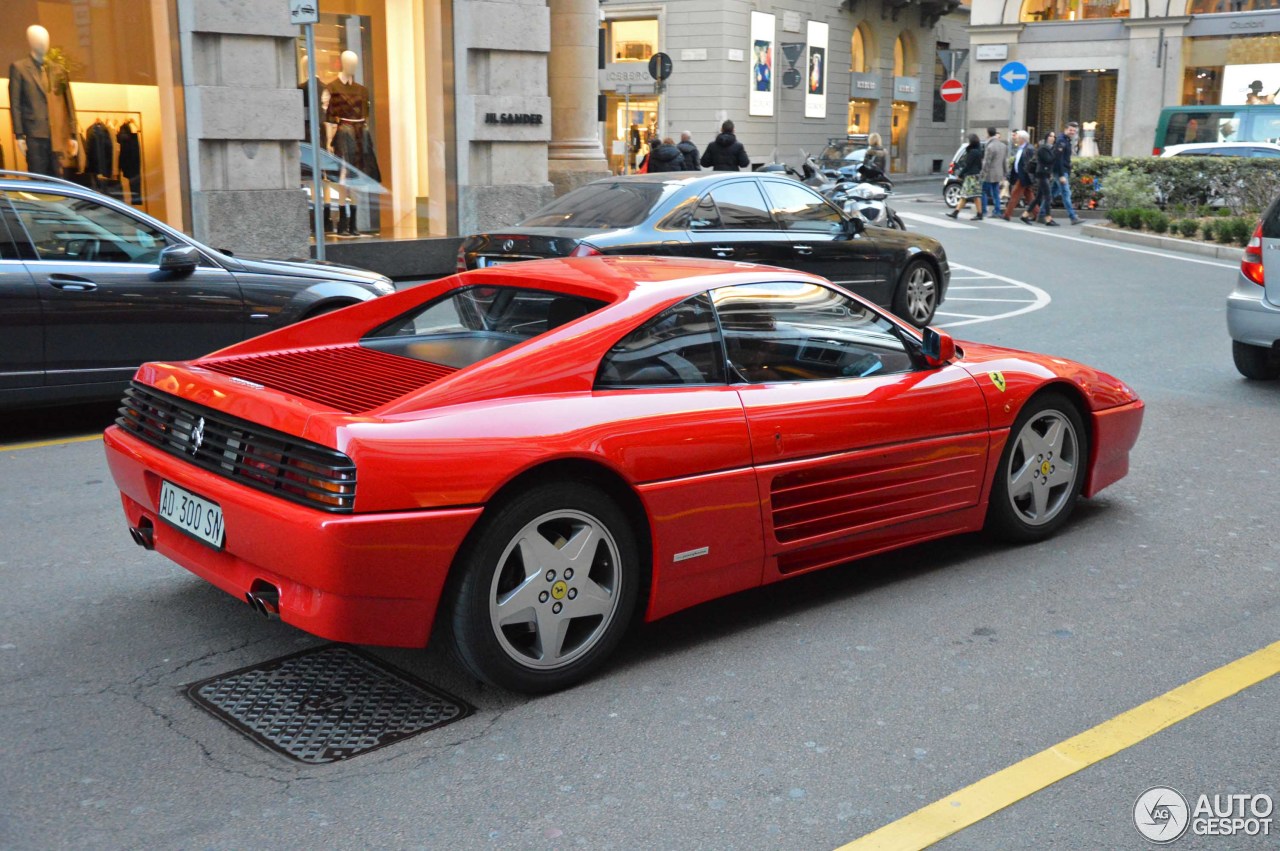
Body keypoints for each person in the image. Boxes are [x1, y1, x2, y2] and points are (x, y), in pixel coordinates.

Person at [945, 134, 985, 221]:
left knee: (967, 195)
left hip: (971, 177)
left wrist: (960, 175)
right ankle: (978, 214)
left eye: (969, 141)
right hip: (976, 175)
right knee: (973, 196)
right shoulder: (978, 152)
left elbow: (967, 166)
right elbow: (980, 165)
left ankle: (957, 213)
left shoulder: (972, 152)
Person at [1025, 130, 1060, 226]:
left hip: (1045, 174)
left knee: (1038, 197)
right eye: (1051, 136)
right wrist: (1056, 153)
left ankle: (1025, 215)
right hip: (1042, 174)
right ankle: (1048, 219)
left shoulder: (1050, 148)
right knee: (1048, 197)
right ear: (1047, 137)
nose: (1053, 138)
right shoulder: (1043, 148)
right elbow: (1049, 160)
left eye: (1054, 136)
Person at [1051, 121, 1081, 225]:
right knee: (1066, 193)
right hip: (1061, 172)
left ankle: (1040, 213)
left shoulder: (1067, 140)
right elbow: (1058, 159)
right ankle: (1073, 217)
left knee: (1051, 194)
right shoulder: (1061, 141)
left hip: (1063, 171)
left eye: (1074, 130)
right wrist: (1061, 175)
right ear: (1065, 130)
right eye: (1070, 130)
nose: (1072, 132)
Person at [1002, 130, 1035, 222]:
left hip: (1024, 175)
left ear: (1022, 139)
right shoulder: (1020, 148)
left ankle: (1007, 215)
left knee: (1015, 194)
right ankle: (1038, 213)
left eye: (1018, 137)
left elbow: (1030, 163)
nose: (1016, 139)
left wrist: (1027, 174)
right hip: (1019, 175)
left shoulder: (1029, 149)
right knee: (1029, 195)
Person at [980, 126, 1007, 219]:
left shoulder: (990, 146)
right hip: (999, 173)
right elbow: (1004, 161)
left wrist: (983, 173)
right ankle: (997, 210)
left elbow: (986, 162)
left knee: (983, 191)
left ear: (988, 133)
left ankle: (983, 210)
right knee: (996, 192)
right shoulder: (1003, 146)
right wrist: (1005, 173)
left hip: (989, 173)